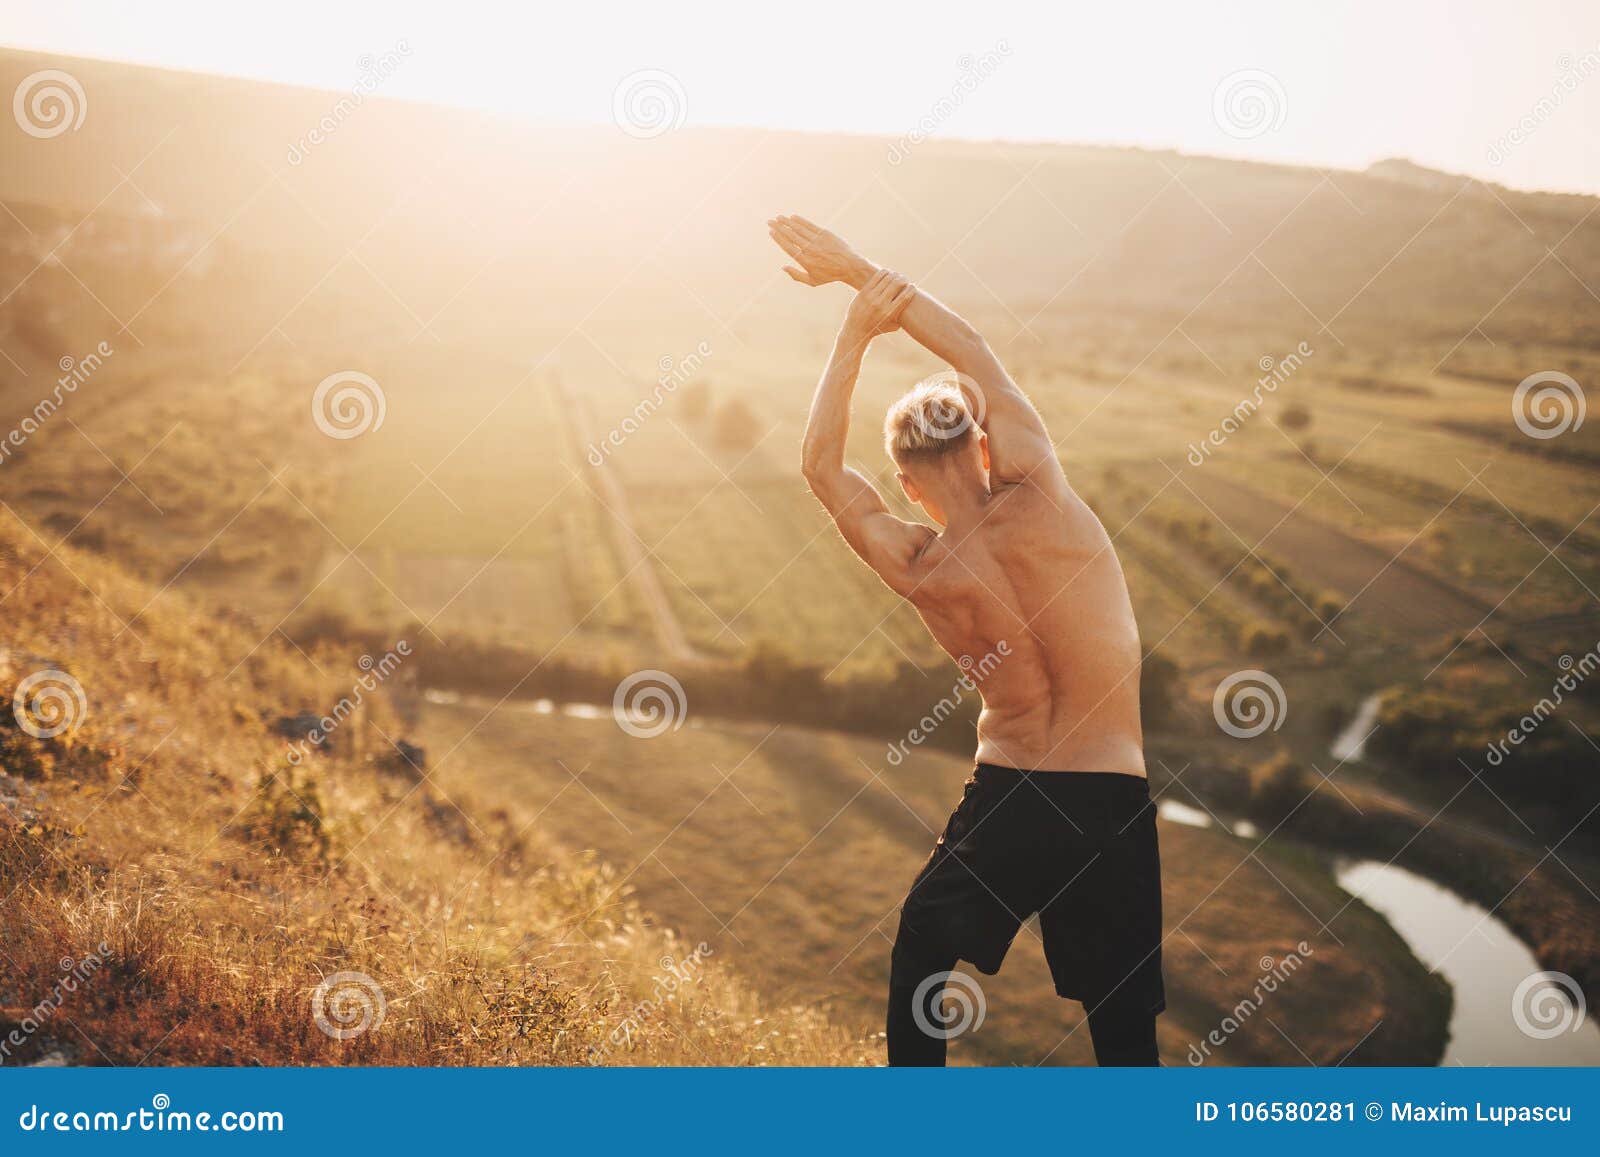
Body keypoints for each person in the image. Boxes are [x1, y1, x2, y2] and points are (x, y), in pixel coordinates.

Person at [768, 215, 1164, 1066]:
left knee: (922, 951)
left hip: (1013, 791)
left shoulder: (918, 562)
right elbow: (974, 348)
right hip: (1110, 797)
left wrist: (852, 334)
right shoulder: (1041, 492)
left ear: (906, 483)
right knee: (1124, 1025)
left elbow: (821, 469)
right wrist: (862, 275)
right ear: (984, 444)